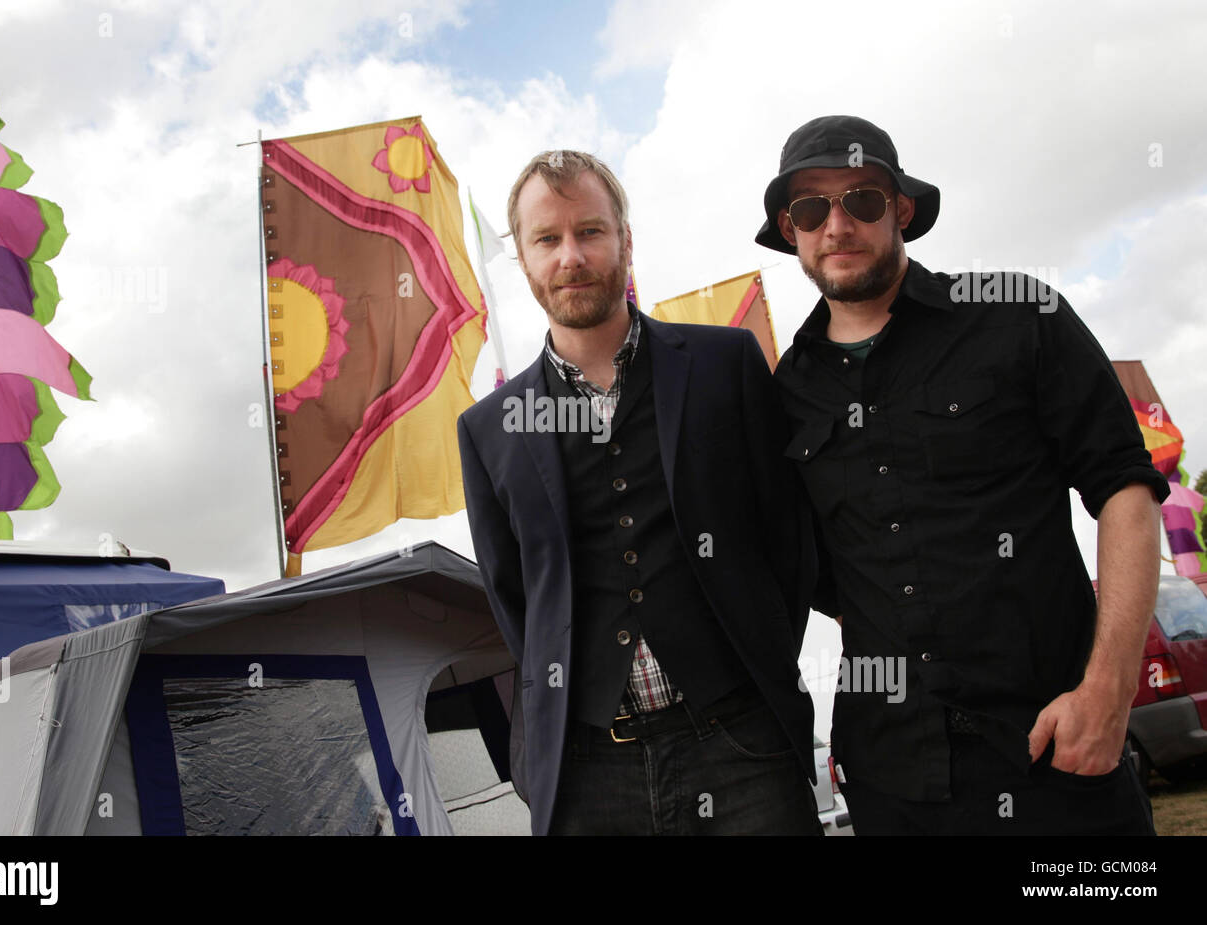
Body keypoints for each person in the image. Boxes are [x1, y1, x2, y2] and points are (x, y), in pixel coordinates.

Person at [758, 114, 1169, 834]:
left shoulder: (1018, 315)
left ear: (902, 210)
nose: (837, 224)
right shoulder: (783, 396)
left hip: (1058, 749)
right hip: (895, 782)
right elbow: (818, 575)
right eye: (811, 208)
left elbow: (1125, 490)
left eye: (861, 199)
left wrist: (1108, 688)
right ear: (790, 230)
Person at [457, 149, 820, 835]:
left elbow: (789, 545)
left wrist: (751, 666)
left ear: (625, 238)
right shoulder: (487, 430)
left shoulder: (726, 363)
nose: (571, 255)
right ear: (525, 260)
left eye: (590, 230)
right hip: (590, 774)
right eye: (547, 238)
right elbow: (518, 607)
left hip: (744, 746)